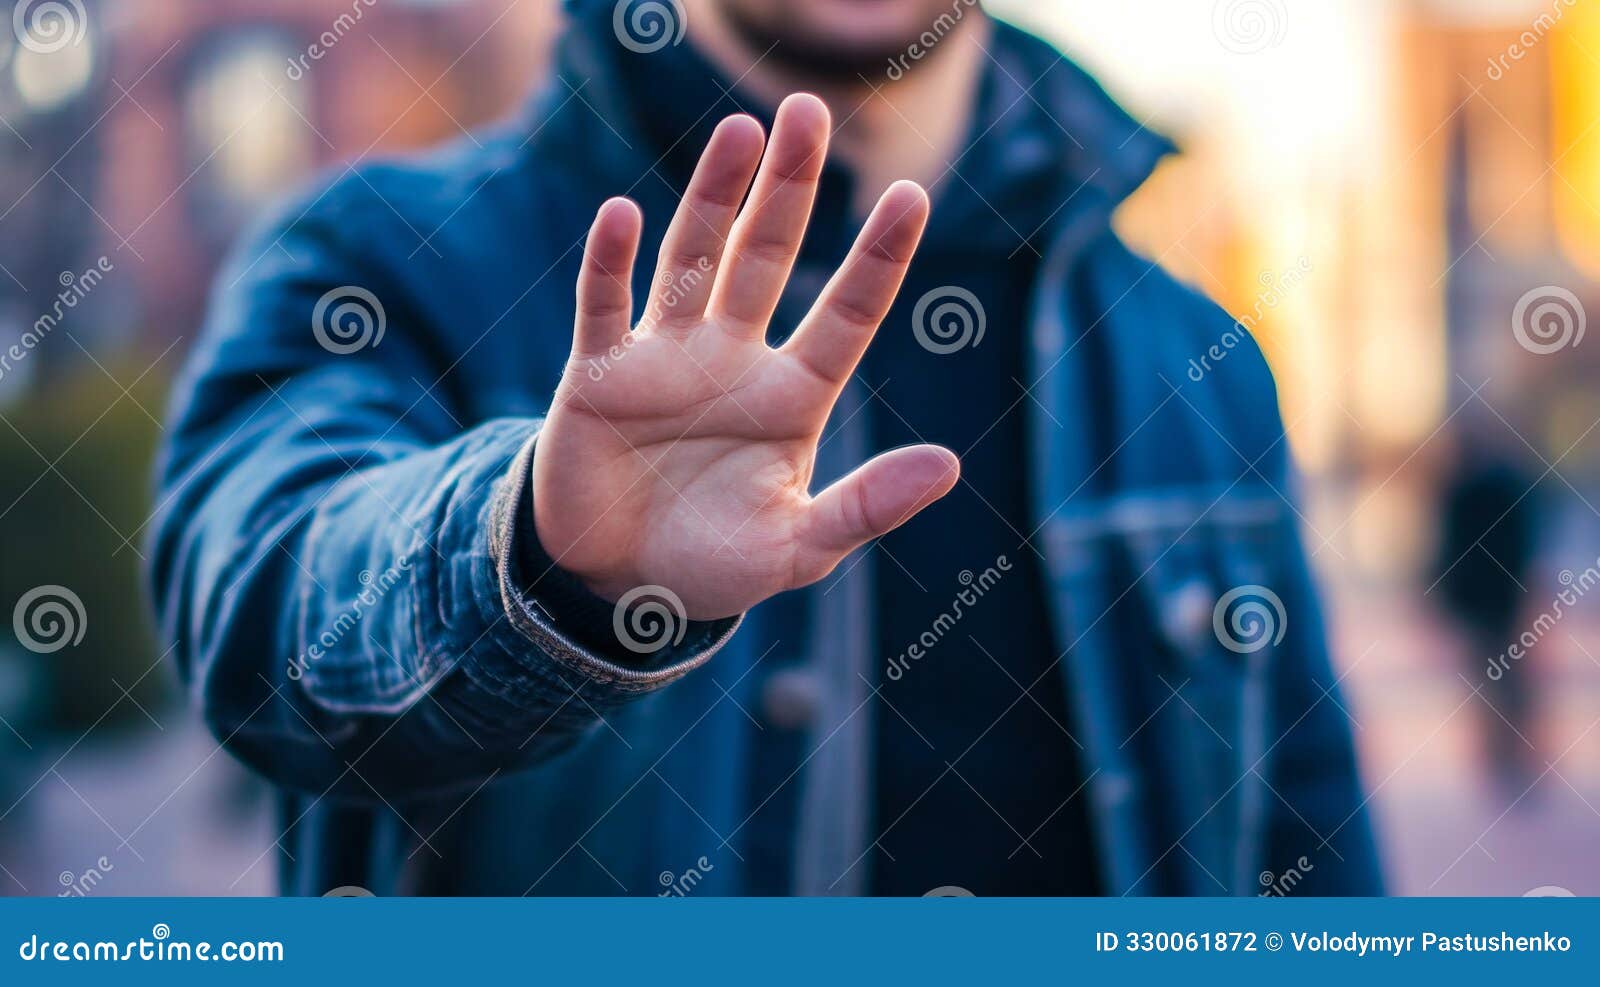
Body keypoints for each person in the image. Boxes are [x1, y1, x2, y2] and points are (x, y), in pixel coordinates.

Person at [149, 0, 1381, 895]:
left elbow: (1306, 849)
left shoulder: (1188, 355)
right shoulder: (376, 257)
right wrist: (530, 553)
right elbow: (261, 621)